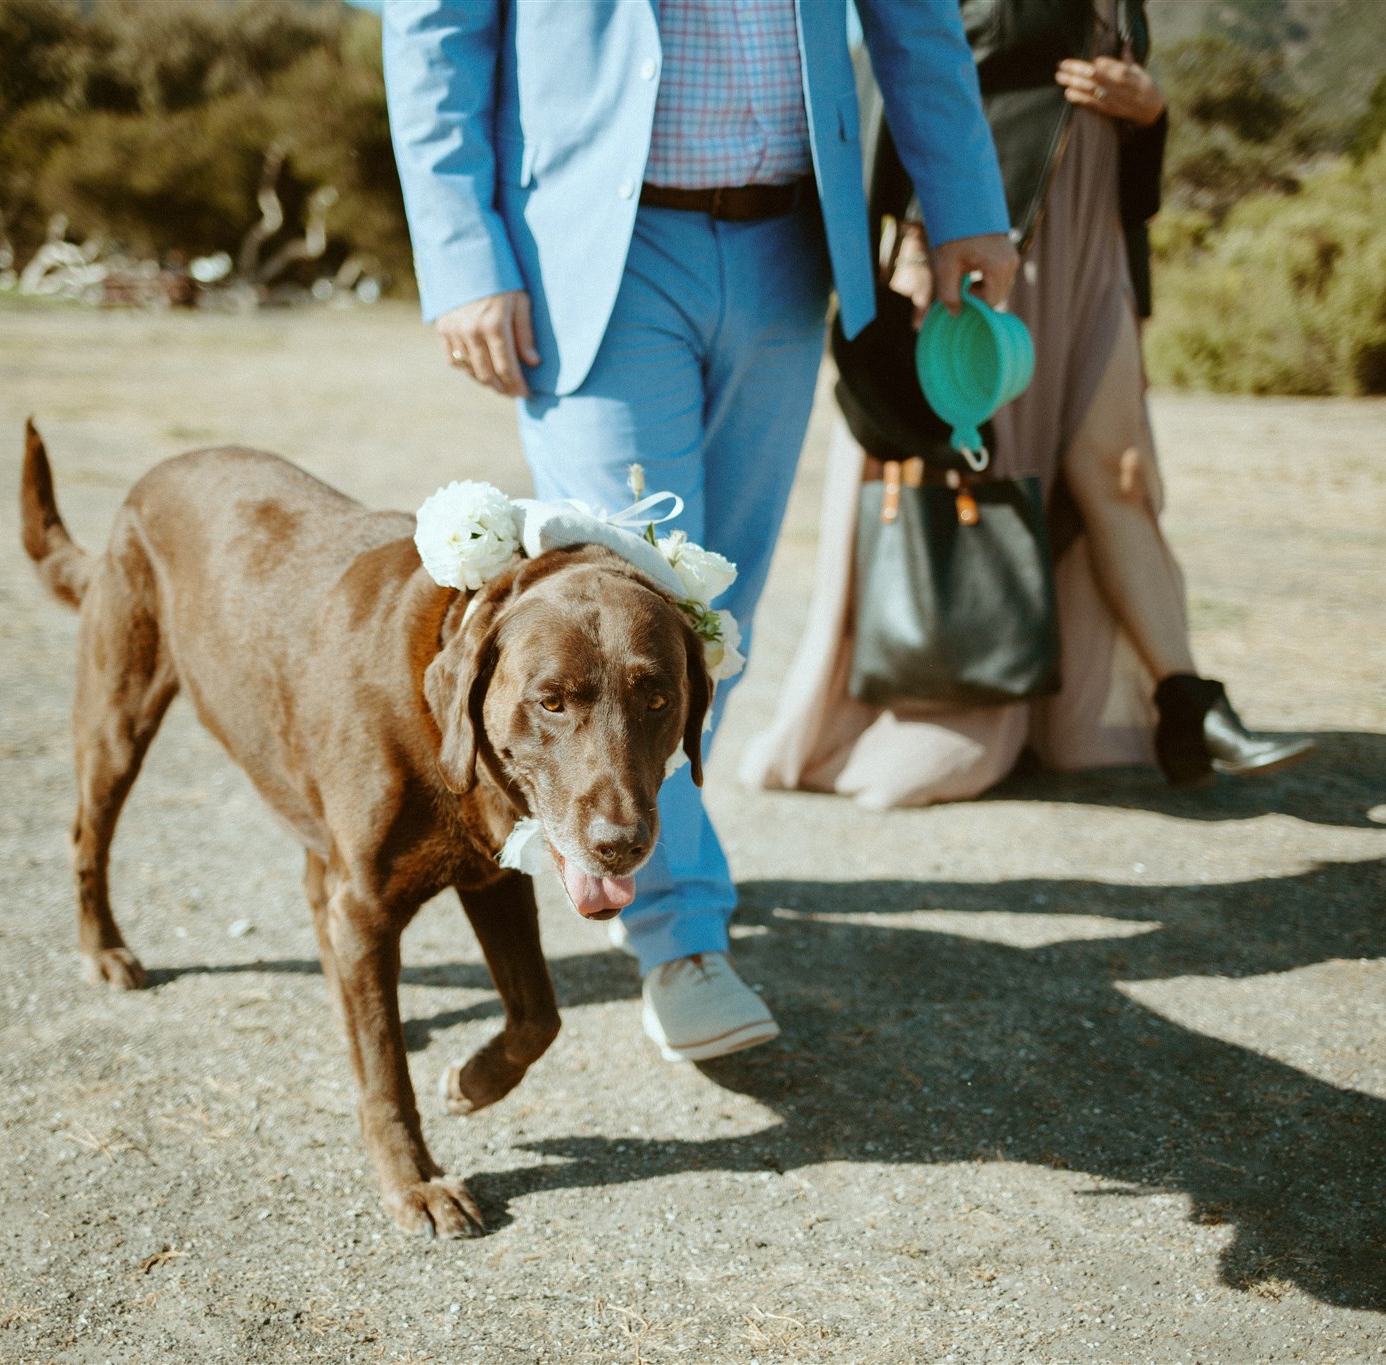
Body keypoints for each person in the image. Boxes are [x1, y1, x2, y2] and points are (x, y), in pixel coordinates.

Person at [384, 0, 1018, 1060]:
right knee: (630, 606)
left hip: (790, 246)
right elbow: (434, 30)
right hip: (596, 245)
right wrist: (461, 253)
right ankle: (678, 938)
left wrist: (965, 205)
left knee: (713, 616)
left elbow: (915, 16)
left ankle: (615, 841)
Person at [741, 0, 1312, 809]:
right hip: (991, 235)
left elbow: (1118, 139)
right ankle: (947, 690)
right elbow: (916, 66)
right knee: (962, 471)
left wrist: (1151, 115)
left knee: (1120, 472)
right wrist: (919, 231)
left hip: (1095, 241)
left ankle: (1186, 699)